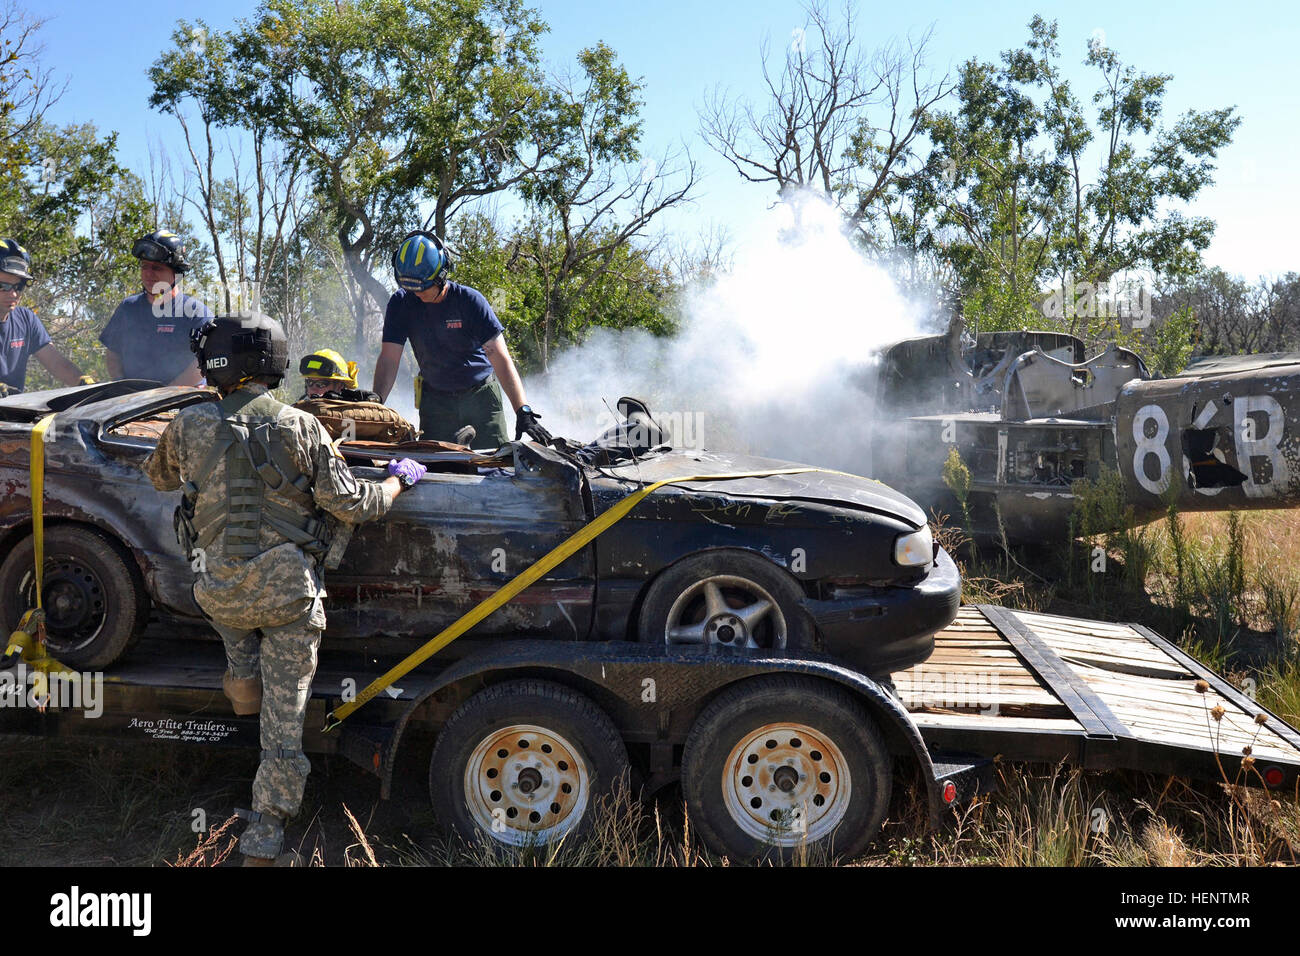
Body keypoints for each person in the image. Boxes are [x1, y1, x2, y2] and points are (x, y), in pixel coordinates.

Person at [142, 312, 427, 866]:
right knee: (283, 731)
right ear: (271, 363)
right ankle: (264, 840)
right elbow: (356, 506)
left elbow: (160, 477)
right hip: (287, 601)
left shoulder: (189, 423)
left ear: (220, 365)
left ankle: (241, 677)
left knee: (234, 626)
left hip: (217, 591)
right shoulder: (303, 427)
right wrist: (398, 478)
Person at [371, 231, 552, 447]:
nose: (417, 293)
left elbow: (500, 358)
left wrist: (522, 410)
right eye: (410, 287)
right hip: (435, 402)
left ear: (441, 274)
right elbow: (389, 359)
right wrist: (376, 403)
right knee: (436, 472)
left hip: (481, 399)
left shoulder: (469, 301)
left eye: (423, 287)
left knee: (493, 468)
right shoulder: (401, 303)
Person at [100, 230, 212, 386]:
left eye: (157, 268)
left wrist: (164, 396)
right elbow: (113, 353)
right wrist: (121, 385)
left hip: (184, 403)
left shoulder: (196, 313)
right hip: (132, 401)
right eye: (144, 266)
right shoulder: (128, 308)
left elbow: (202, 364)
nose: (148, 273)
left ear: (177, 273)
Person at [0, 239, 91, 395]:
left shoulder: (26, 319)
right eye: (3, 286)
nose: (13, 294)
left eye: (18, 287)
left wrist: (82, 381)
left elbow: (56, 363)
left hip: (13, 415)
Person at [294, 347, 417, 444]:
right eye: (310, 382)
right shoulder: (299, 412)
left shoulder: (359, 415)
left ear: (340, 387)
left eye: (321, 384)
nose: (314, 389)